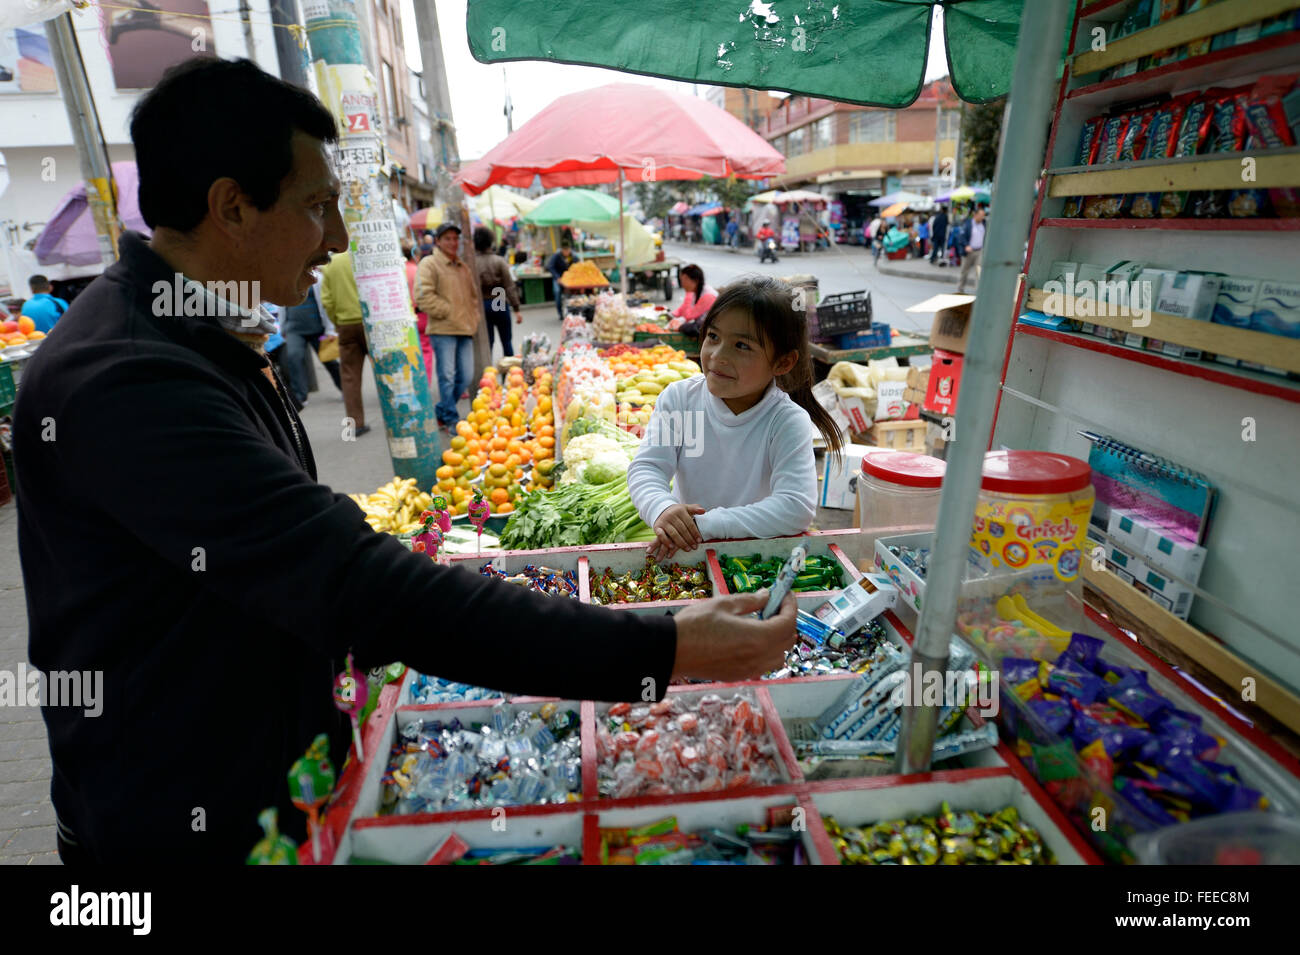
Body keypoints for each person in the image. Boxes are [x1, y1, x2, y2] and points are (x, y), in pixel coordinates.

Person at [13, 56, 796, 866]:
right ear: (231, 205)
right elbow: (357, 585)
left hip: (251, 781)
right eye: (318, 206)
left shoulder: (202, 335)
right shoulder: (130, 379)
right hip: (172, 819)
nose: (340, 239)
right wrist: (661, 649)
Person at [627, 277, 844, 561]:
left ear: (782, 362)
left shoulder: (785, 421)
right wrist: (661, 507)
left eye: (742, 345)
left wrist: (706, 526)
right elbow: (648, 468)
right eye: (713, 337)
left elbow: (795, 506)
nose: (718, 355)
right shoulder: (682, 401)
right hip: (689, 554)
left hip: (752, 560)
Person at [416, 221, 479, 431]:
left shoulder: (462, 266)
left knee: (466, 376)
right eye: (447, 239)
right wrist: (447, 311)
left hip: (465, 328)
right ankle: (451, 418)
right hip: (443, 330)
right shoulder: (430, 264)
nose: (452, 243)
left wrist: (474, 317)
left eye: (455, 238)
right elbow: (423, 296)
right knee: (447, 377)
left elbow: (472, 296)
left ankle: (442, 410)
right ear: (438, 241)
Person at [319, 248, 369, 436]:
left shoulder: (331, 264)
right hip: (371, 322)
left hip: (346, 325)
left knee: (349, 377)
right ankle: (396, 415)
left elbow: (327, 301)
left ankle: (356, 424)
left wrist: (337, 322)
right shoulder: (363, 258)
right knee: (385, 371)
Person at [279, 283, 342, 408]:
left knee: (329, 360)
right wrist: (283, 327)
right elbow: (281, 306)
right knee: (294, 358)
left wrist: (330, 330)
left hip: (318, 329)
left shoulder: (316, 280)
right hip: (294, 329)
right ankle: (300, 397)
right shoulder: (285, 279)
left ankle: (344, 388)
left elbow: (325, 304)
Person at [472, 225, 522, 359]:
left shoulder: (473, 263)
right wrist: (516, 308)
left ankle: (489, 372)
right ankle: (511, 371)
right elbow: (509, 286)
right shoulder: (499, 261)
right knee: (506, 340)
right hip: (498, 299)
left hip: (483, 304)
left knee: (488, 342)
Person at [404, 243, 434, 384]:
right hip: (420, 314)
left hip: (403, 316)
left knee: (408, 350)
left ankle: (410, 380)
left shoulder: (397, 270)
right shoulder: (418, 270)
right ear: (415, 255)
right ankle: (424, 382)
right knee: (425, 349)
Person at [671, 264, 717, 334]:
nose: (682, 284)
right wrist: (670, 314)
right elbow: (682, 309)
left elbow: (688, 316)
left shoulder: (708, 295)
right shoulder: (696, 291)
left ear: (695, 280)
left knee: (683, 327)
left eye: (684, 280)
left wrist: (688, 293)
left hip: (710, 330)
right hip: (701, 326)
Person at [956, 204, 988, 295]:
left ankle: (978, 290)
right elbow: (961, 236)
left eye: (983, 215)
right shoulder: (968, 224)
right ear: (975, 215)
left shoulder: (984, 224)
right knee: (964, 271)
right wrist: (966, 245)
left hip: (979, 250)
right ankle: (960, 288)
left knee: (978, 271)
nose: (982, 217)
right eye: (981, 215)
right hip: (969, 251)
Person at [545, 241, 574, 320]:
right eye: (565, 250)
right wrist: (557, 277)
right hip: (558, 278)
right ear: (562, 250)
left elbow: (577, 264)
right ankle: (560, 313)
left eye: (568, 250)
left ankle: (571, 311)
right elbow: (550, 267)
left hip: (569, 278)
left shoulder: (573, 256)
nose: (567, 252)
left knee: (571, 294)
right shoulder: (556, 256)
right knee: (557, 292)